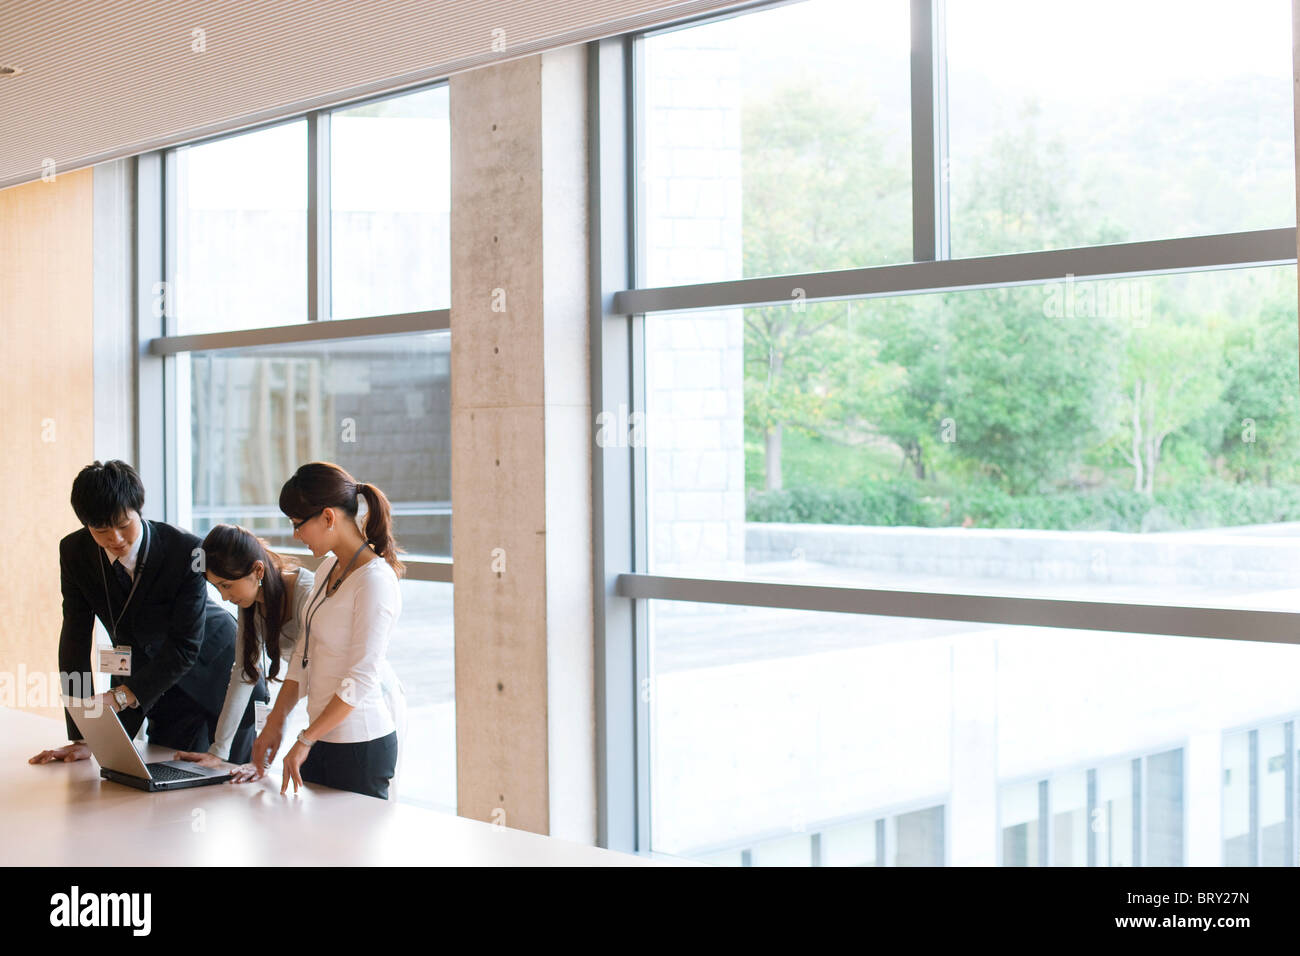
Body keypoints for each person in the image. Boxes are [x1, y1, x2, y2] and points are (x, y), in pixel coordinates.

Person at [28, 460, 265, 766]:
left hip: (219, 671)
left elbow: (184, 646)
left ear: (138, 510)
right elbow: (74, 640)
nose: (116, 538)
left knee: (229, 786)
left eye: (124, 524)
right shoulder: (75, 552)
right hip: (156, 684)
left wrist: (121, 696)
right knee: (167, 778)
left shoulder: (187, 550)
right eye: (101, 530)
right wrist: (84, 733)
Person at [172, 523, 405, 787]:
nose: (225, 598)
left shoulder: (307, 590)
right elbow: (243, 673)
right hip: (327, 707)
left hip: (367, 702)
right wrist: (218, 752)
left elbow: (302, 670)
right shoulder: (250, 602)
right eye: (218, 588)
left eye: (227, 585)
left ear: (257, 570)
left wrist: (279, 734)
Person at [254, 462, 406, 799]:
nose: (296, 535)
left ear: (327, 517)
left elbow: (362, 676)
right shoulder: (327, 568)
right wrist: (277, 721)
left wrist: (306, 738)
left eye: (298, 525)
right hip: (319, 739)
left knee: (350, 852)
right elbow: (304, 655)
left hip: (359, 745)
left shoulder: (375, 581)